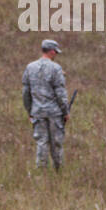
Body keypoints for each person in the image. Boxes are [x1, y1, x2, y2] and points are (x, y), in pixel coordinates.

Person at [22, 39, 70, 170]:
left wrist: (29, 111)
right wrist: (65, 111)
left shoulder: (30, 67)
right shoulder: (56, 68)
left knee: (41, 142)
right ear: (52, 51)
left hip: (37, 112)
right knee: (56, 143)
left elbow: (26, 93)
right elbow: (60, 94)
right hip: (55, 113)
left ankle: (41, 172)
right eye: (56, 52)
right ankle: (58, 171)